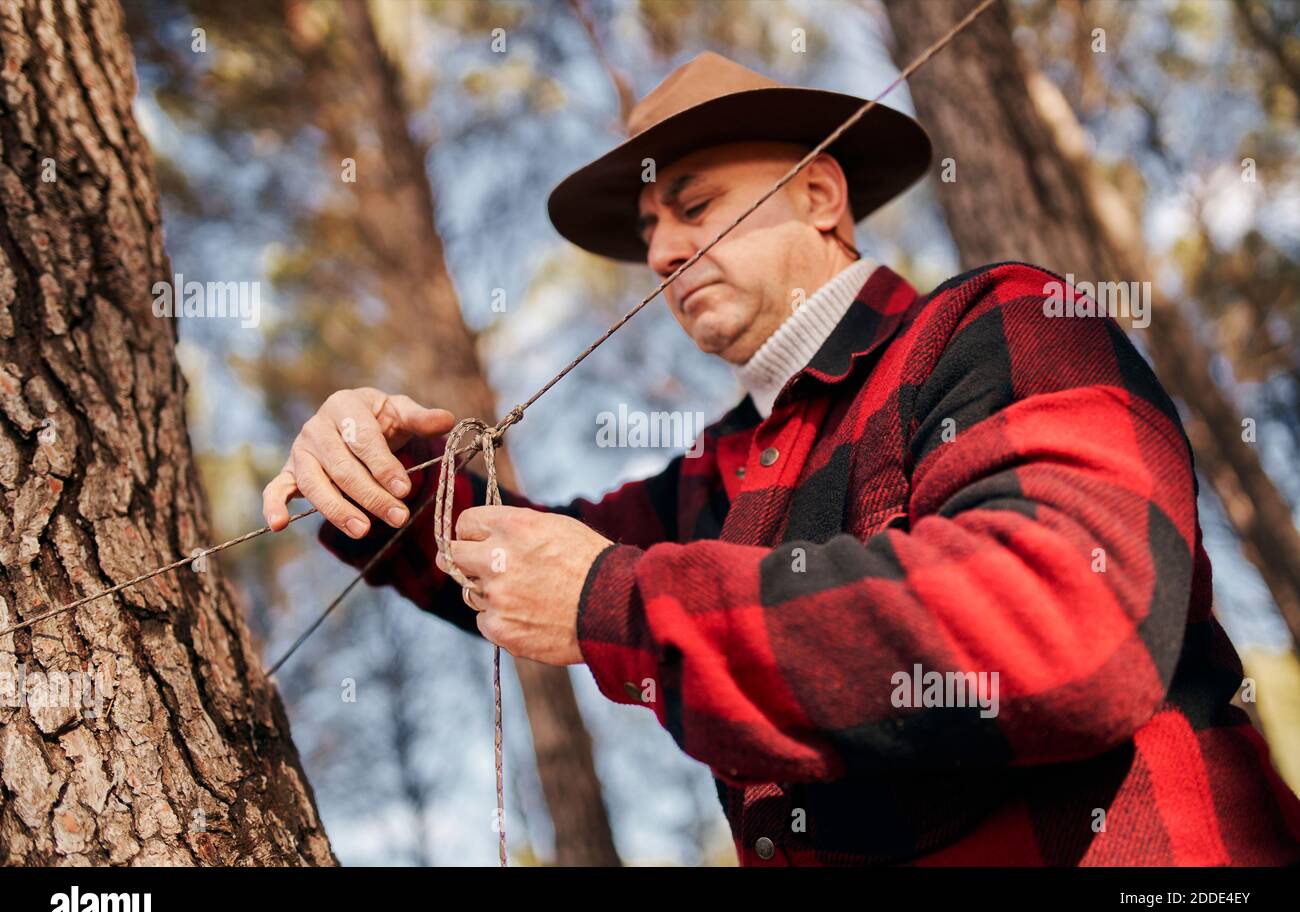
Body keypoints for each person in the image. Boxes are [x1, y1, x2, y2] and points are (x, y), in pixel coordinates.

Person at [262, 52, 1300, 866]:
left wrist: (618, 600)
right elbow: (518, 553)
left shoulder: (1003, 318)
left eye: (697, 204)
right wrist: (380, 474)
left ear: (818, 195)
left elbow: (1069, 627)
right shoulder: (715, 477)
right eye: (649, 229)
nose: (662, 252)